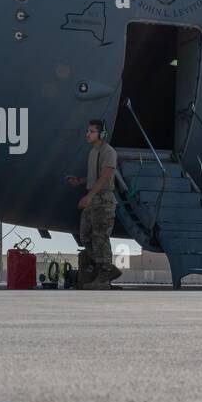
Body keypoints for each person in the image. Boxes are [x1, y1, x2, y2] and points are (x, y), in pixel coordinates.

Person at [66, 119, 121, 290]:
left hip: (103, 199)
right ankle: (108, 269)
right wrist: (81, 181)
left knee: (100, 237)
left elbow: (105, 176)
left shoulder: (108, 152)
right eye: (88, 131)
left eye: (91, 131)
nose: (87, 134)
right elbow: (95, 176)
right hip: (93, 197)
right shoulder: (93, 152)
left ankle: (104, 276)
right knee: (86, 237)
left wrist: (89, 196)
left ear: (102, 134)